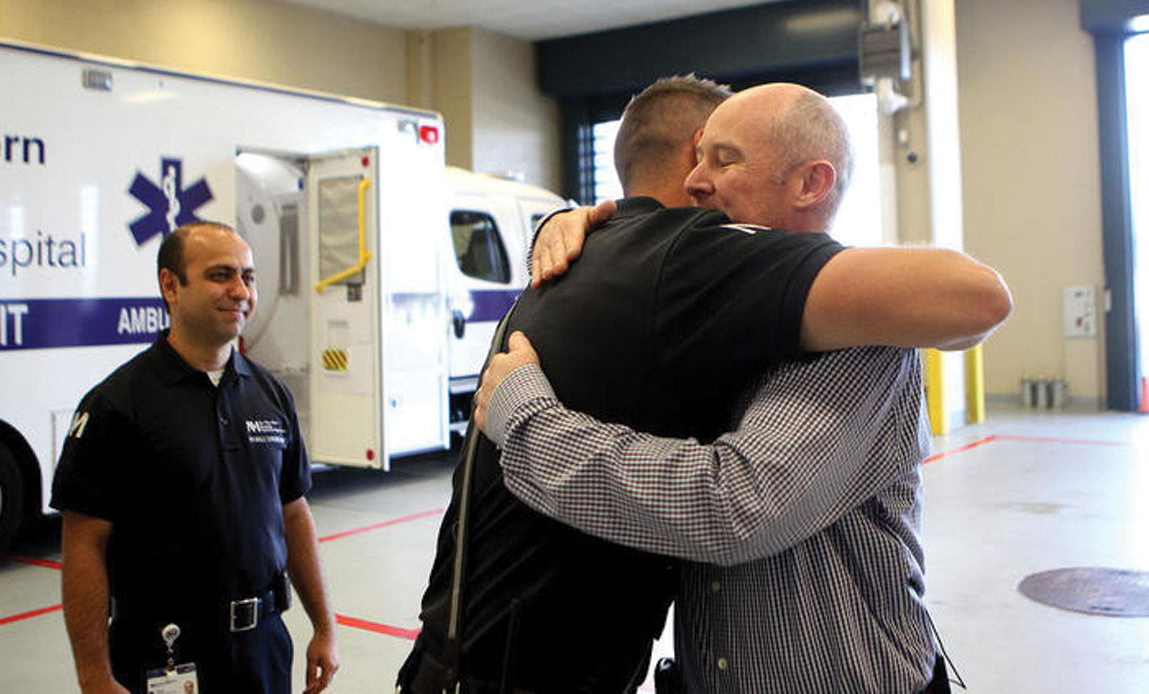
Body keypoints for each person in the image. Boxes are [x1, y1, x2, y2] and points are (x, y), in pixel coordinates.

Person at [398, 77, 1009, 693]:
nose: (693, 180)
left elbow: (733, 507)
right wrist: (592, 229)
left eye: (724, 160)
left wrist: (530, 420)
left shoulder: (860, 338)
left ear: (810, 184)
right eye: (697, 158)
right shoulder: (724, 319)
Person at [53, 222, 339, 694]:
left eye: (248, 276)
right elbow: (84, 544)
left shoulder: (271, 396)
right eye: (220, 275)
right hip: (164, 652)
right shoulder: (118, 405)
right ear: (170, 285)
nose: (240, 291)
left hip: (263, 649)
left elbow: (292, 513)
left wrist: (323, 626)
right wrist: (93, 675)